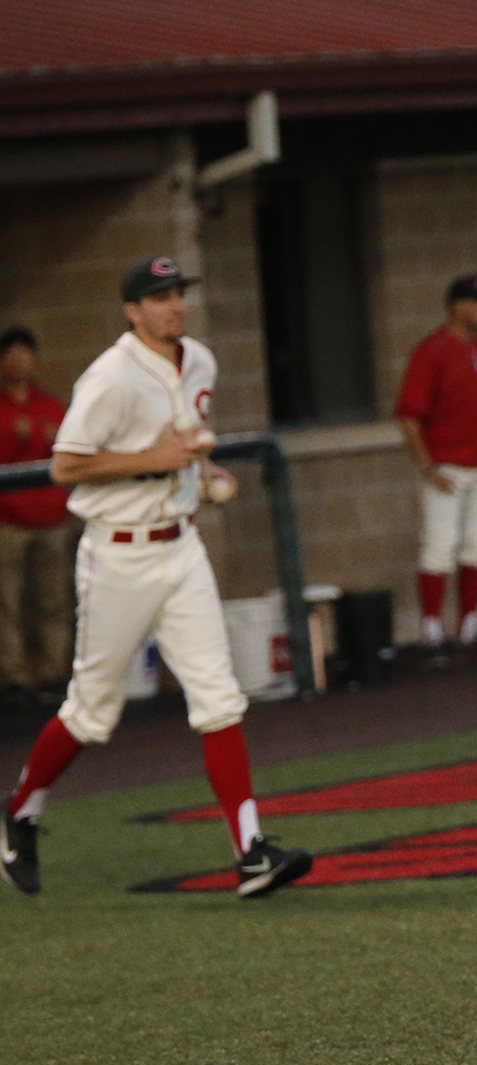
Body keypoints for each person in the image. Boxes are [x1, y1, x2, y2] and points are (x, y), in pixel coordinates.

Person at [0, 257, 311, 899]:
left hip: (181, 546)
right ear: (132, 310)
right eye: (159, 296)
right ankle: (20, 809)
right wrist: (157, 459)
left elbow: (184, 440)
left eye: (177, 293)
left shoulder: (197, 358)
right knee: (91, 712)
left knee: (219, 698)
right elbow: (63, 466)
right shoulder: (110, 376)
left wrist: (203, 472)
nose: (173, 305)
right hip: (118, 555)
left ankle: (251, 853)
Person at [397, 273, 477, 660]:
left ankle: (468, 628)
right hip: (446, 466)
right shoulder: (432, 351)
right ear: (458, 306)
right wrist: (427, 466)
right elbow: (409, 415)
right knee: (438, 546)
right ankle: (430, 632)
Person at [0, 327, 77, 704]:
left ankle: (53, 673)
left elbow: (73, 451)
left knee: (54, 600)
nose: (20, 362)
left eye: (25, 354)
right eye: (12, 355)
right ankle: (13, 676)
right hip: (8, 521)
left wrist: (53, 437)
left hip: (51, 519)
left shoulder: (50, 406)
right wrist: (14, 437)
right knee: (7, 603)